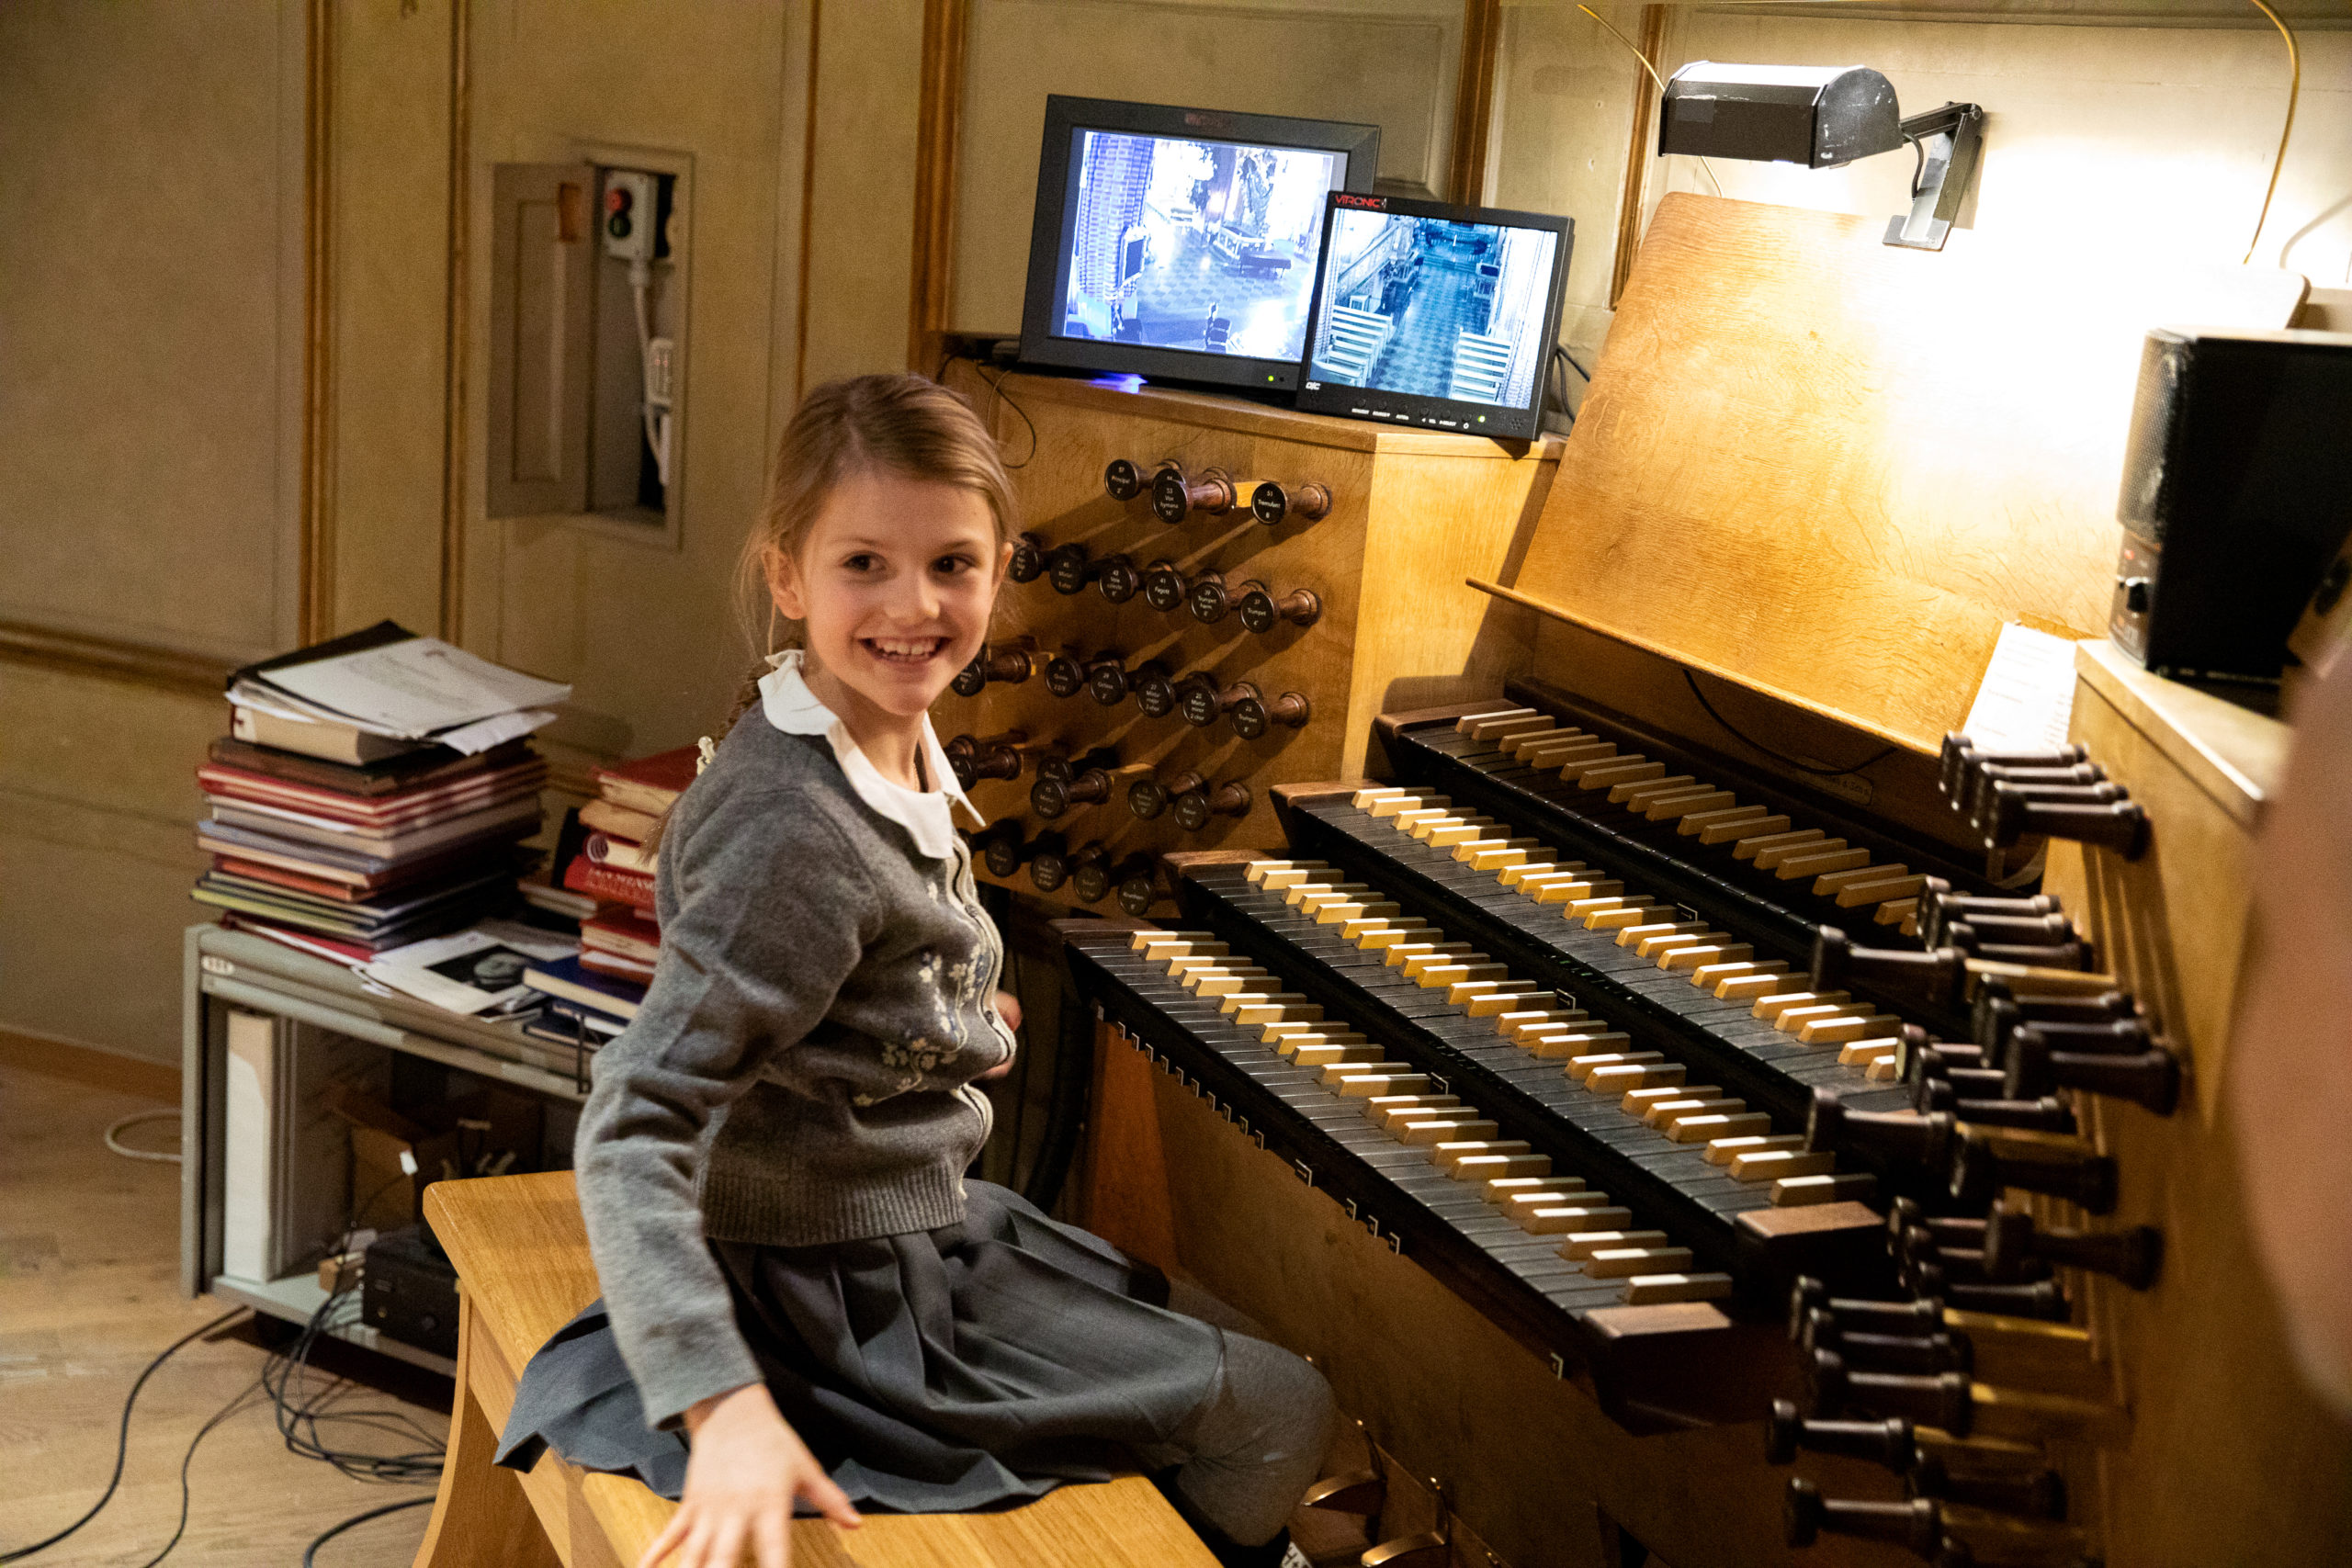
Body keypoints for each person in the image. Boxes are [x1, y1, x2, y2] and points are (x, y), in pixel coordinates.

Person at [493, 373, 1335, 1568]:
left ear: (1001, 568)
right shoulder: (799, 828)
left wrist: (941, 1014)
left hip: (886, 1226)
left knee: (1157, 1301)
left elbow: (848, 964)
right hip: (825, 1303)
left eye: (952, 564)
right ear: (785, 574)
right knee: (1283, 1408)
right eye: (864, 567)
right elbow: (633, 1121)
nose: (915, 604)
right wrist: (717, 1404)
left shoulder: (860, 734)